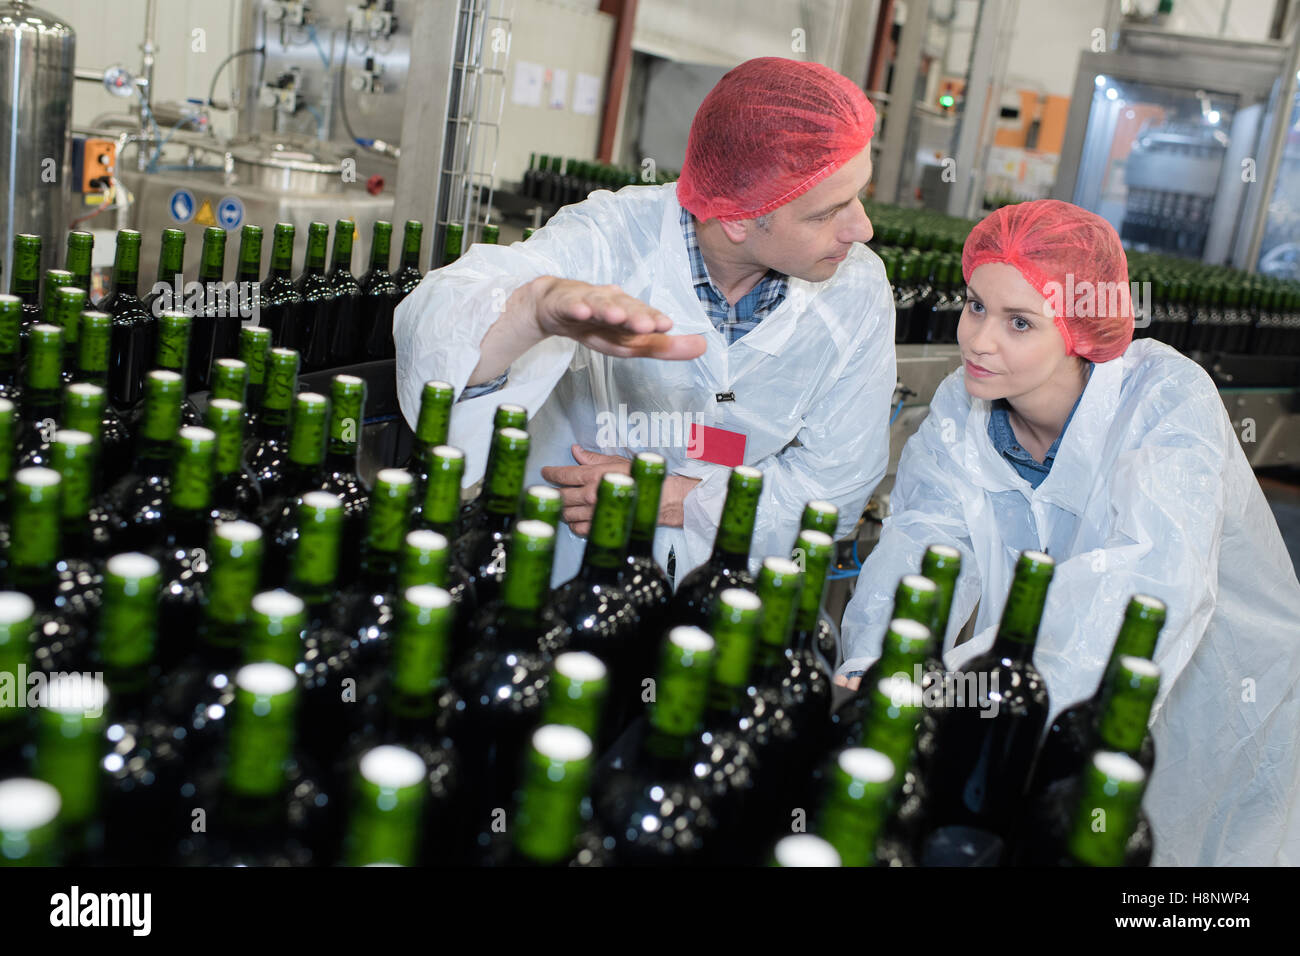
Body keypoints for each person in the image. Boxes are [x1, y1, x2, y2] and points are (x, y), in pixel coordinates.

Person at [836, 198, 1300, 866]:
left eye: (1019, 321)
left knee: (1178, 849)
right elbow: (924, 543)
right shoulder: (961, 406)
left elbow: (1145, 588)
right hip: (1037, 691)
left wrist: (950, 686)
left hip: (1210, 685)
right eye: (975, 305)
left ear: (1081, 330)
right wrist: (878, 667)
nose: (979, 339)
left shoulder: (1166, 401)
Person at [394, 58, 896, 598]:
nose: (861, 228)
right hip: (566, 576)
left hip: (729, 596)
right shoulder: (611, 239)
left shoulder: (855, 290)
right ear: (737, 218)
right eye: (829, 212)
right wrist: (531, 311)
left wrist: (675, 497)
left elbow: (836, 493)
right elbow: (436, 326)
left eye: (860, 194)